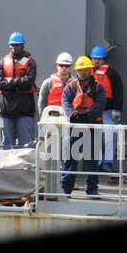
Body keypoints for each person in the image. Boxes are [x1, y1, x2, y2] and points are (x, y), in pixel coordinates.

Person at [61, 56, 106, 198]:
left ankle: (92, 190)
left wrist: (85, 115)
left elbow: (100, 105)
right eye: (80, 70)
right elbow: (66, 103)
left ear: (90, 70)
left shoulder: (98, 87)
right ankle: (65, 190)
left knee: (92, 160)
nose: (83, 73)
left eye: (85, 70)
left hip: (93, 126)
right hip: (75, 127)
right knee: (70, 159)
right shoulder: (71, 86)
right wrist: (74, 114)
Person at [37, 52, 74, 193]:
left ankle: (64, 179)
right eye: (61, 65)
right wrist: (44, 119)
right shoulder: (48, 82)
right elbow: (41, 102)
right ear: (57, 66)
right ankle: (48, 180)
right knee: (49, 151)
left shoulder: (75, 83)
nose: (64, 68)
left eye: (67, 66)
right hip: (51, 120)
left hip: (67, 121)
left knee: (67, 151)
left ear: (71, 67)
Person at [0, 31, 37, 147]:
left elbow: (28, 83)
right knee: (6, 144)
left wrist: (9, 81)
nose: (14, 48)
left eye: (17, 45)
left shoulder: (30, 62)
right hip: (6, 110)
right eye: (12, 45)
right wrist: (18, 82)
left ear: (22, 45)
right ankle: (6, 166)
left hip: (25, 110)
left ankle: (26, 166)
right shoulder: (2, 62)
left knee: (26, 145)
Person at [90, 44, 125, 178]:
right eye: (94, 59)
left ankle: (107, 164)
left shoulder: (112, 74)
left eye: (99, 59)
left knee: (110, 138)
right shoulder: (88, 73)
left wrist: (117, 109)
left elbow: (118, 91)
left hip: (108, 111)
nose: (97, 61)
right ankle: (96, 163)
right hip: (93, 112)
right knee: (96, 138)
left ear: (104, 59)